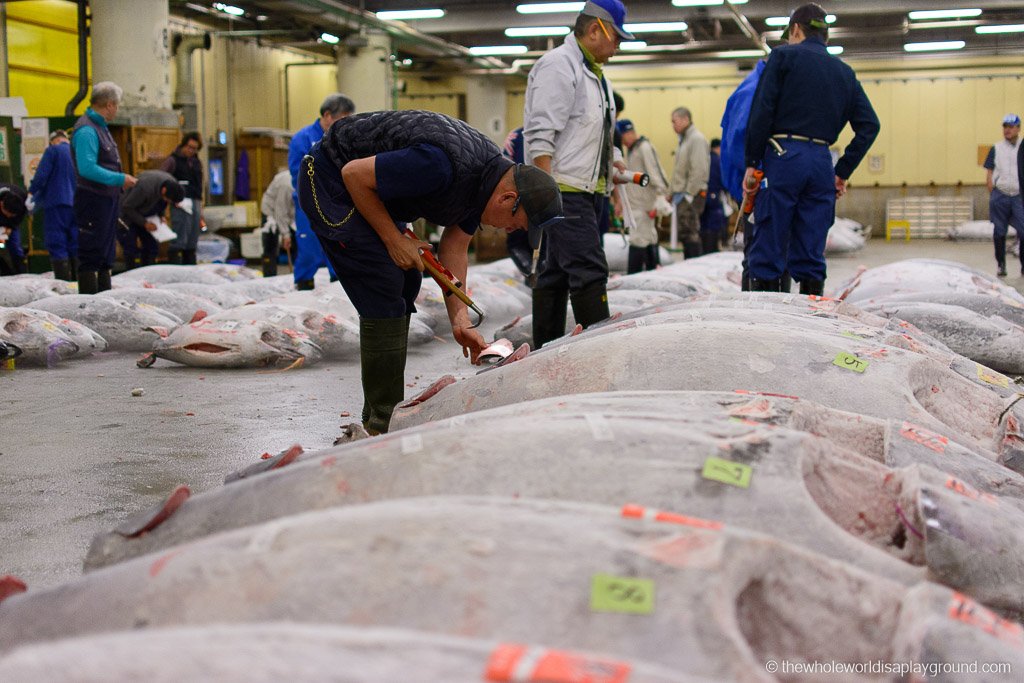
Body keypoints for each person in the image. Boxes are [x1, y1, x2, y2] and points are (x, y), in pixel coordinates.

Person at [296, 109, 562, 434]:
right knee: (384, 280)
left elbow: (454, 246)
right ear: (507, 198)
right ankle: (381, 424)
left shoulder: (486, 182)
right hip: (330, 180)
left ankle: (389, 411)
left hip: (369, 191)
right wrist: (394, 239)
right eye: (514, 224)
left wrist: (460, 321)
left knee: (408, 278)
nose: (508, 231)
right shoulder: (438, 166)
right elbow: (354, 174)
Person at [744, 3, 879, 295]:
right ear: (826, 37)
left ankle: (766, 325)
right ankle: (811, 324)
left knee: (768, 248)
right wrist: (841, 171)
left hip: (783, 156)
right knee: (811, 254)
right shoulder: (844, 72)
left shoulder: (782, 57)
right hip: (821, 162)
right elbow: (870, 125)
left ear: (795, 30)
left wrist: (752, 162)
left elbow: (761, 112)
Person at [523, 0, 631, 348]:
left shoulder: (595, 75)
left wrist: (612, 161)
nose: (618, 46)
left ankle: (544, 355)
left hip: (585, 190)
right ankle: (599, 357)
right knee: (589, 272)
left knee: (554, 275)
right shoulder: (559, 67)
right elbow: (540, 134)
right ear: (596, 29)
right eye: (616, 37)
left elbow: (592, 132)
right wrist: (544, 195)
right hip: (564, 191)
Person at [71, 81, 138, 294]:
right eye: (116, 105)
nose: (117, 110)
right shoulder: (87, 131)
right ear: (109, 105)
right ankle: (90, 305)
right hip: (92, 200)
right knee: (92, 254)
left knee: (105, 254)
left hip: (106, 200)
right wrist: (120, 179)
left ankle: (103, 300)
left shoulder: (100, 128)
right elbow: (87, 168)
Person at [289, 93, 355, 290]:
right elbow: (296, 173)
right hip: (309, 203)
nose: (346, 124)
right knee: (309, 248)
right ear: (327, 115)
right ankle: (303, 285)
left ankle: (340, 289)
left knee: (339, 246)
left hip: (337, 204)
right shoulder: (302, 138)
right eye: (342, 119)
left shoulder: (344, 138)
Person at [617, 119, 670, 273]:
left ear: (629, 133)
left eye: (622, 138)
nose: (622, 142)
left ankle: (634, 278)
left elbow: (656, 173)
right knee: (648, 239)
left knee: (638, 240)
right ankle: (653, 274)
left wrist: (660, 202)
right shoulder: (632, 150)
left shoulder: (644, 148)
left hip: (645, 206)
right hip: (636, 206)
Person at [27, 130, 78, 281]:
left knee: (57, 242)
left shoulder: (53, 151)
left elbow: (42, 175)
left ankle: (63, 284)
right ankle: (79, 283)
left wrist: (31, 193)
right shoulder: (77, 153)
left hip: (57, 202)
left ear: (53, 141)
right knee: (76, 243)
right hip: (77, 204)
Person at [118, 170, 185, 270]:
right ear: (164, 191)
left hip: (146, 214)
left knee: (151, 248)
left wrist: (161, 215)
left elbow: (162, 202)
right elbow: (127, 207)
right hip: (127, 215)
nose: (167, 202)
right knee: (131, 249)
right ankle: (132, 279)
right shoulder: (145, 188)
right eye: (167, 199)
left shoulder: (171, 184)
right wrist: (144, 223)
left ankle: (148, 274)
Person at [668, 106, 710, 260]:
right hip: (683, 194)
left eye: (675, 121)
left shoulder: (696, 139)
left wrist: (688, 194)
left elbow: (699, 169)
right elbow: (680, 170)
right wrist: (671, 192)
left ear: (686, 119)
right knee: (685, 234)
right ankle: (689, 266)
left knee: (690, 233)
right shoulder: (685, 140)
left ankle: (694, 269)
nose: (673, 125)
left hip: (691, 195)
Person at [984, 114, 1023, 277]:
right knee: (999, 233)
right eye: (1005, 127)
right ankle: (1001, 264)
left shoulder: (1023, 146)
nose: (1007, 130)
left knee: (1023, 231)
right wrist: (992, 191)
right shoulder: (996, 148)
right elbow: (990, 171)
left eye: (1011, 127)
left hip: (1019, 196)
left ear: (1018, 128)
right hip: (1000, 195)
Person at [159, 132, 204, 265]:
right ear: (183, 145)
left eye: (195, 148)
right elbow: (162, 178)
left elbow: (200, 184)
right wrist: (171, 199)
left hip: (195, 201)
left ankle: (190, 267)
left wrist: (201, 207)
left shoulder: (196, 162)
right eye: (189, 147)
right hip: (181, 202)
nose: (191, 151)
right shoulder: (173, 160)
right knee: (180, 237)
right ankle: (176, 267)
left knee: (192, 238)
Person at [259, 168, 295, 277]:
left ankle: (296, 275)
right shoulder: (287, 184)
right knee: (270, 245)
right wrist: (285, 234)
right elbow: (280, 210)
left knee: (296, 243)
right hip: (270, 211)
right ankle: (269, 275)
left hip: (287, 213)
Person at [700, 138, 727, 255]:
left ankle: (704, 250)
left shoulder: (705, 159)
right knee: (714, 225)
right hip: (714, 197)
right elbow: (724, 180)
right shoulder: (718, 161)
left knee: (704, 224)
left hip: (703, 196)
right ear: (718, 148)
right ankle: (712, 251)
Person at [0, 184, 28, 276]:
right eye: (8, 214)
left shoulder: (22, 198)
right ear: (1, 204)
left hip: (12, 225)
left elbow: (21, 215)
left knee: (16, 248)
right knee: (1, 246)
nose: (9, 216)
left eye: (12, 214)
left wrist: (10, 227)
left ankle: (22, 274)